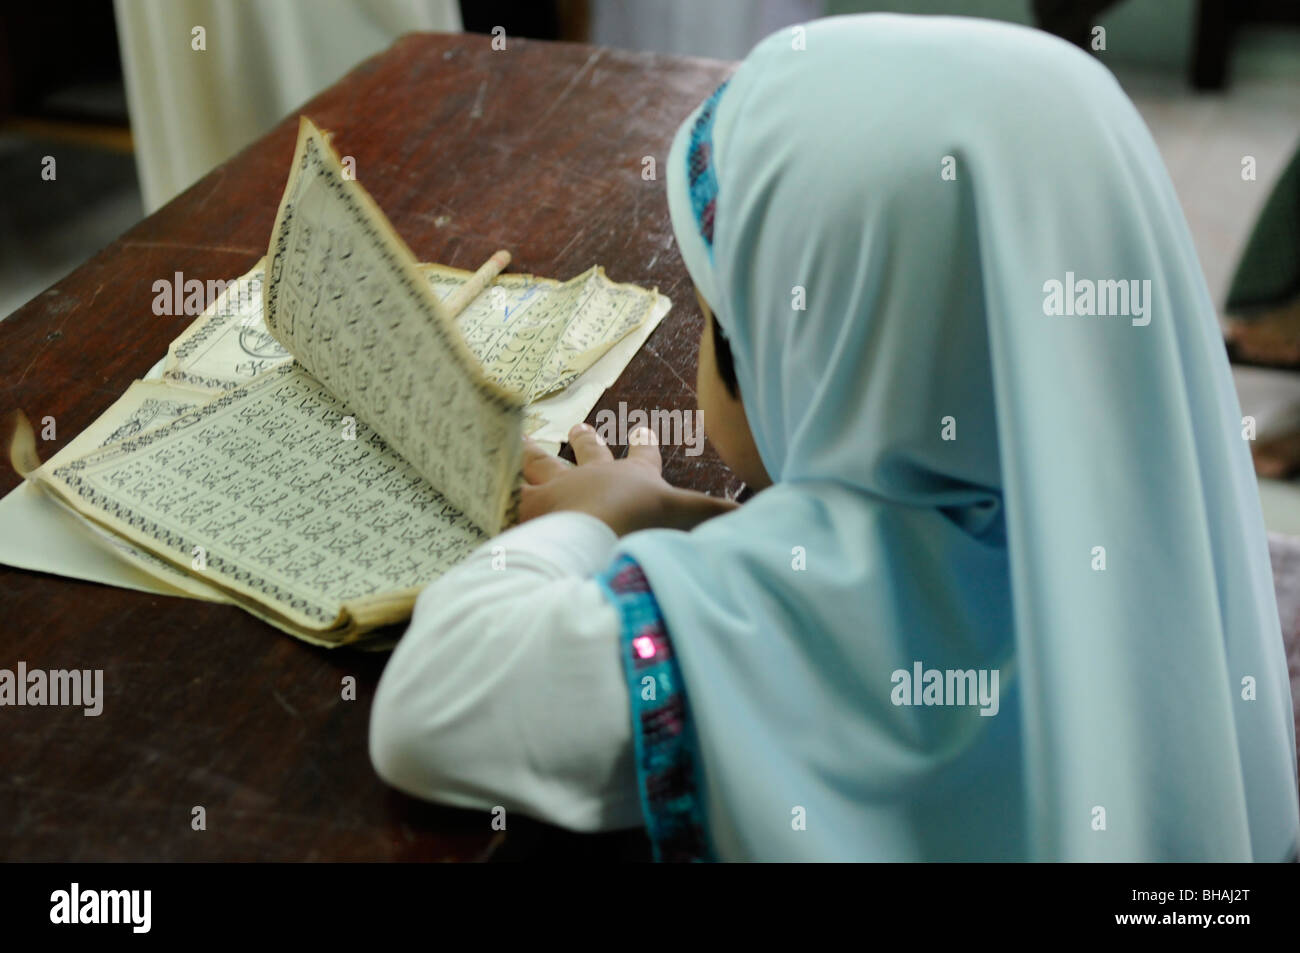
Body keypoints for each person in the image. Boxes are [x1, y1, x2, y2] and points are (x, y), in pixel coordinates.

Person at [370, 14, 1300, 862]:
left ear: (823, 354)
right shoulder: (1163, 512)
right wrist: (687, 520)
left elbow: (434, 706)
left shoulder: (784, 618)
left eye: (713, 315)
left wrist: (589, 522)